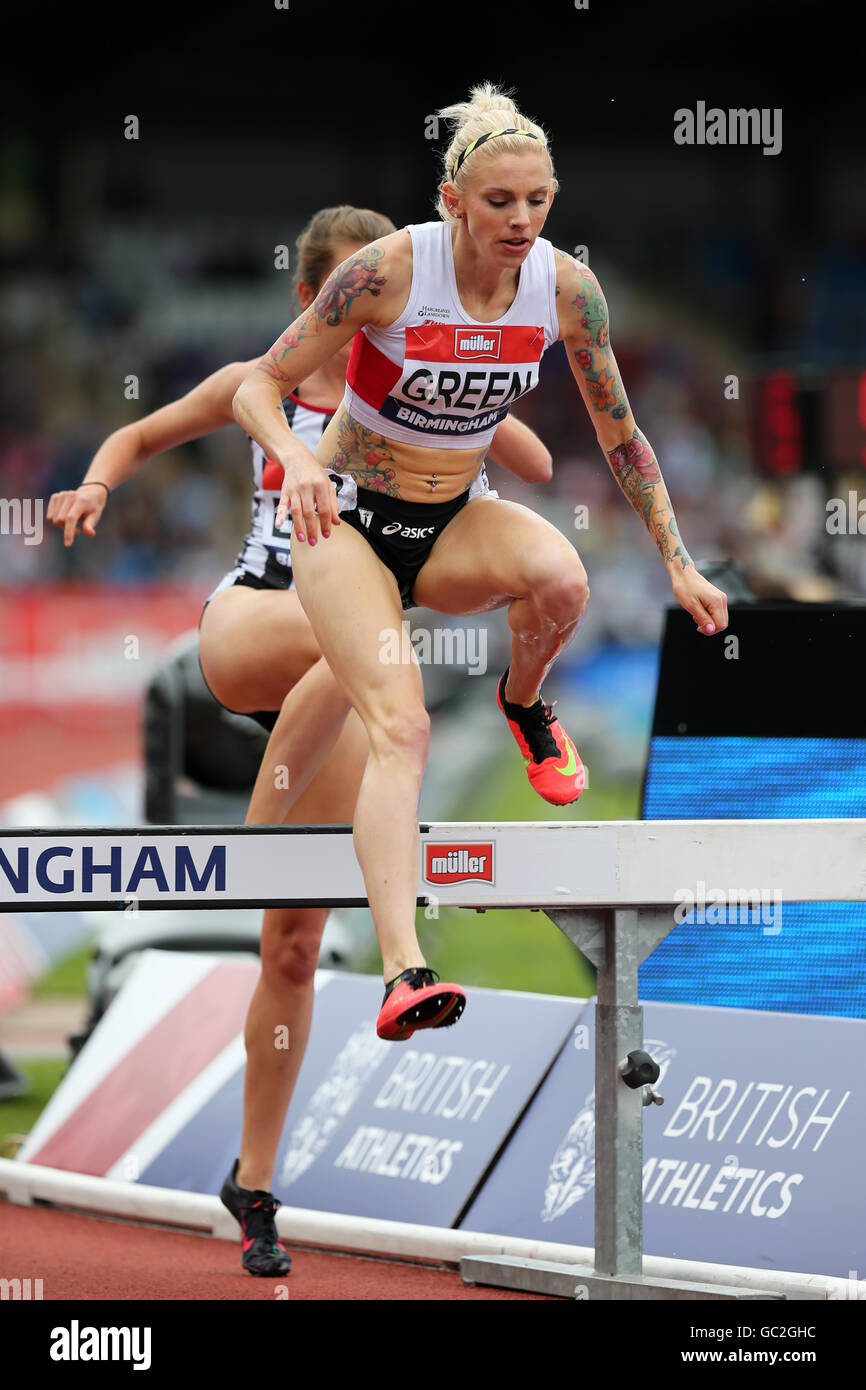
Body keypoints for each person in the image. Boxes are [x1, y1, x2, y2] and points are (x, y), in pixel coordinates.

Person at [45, 202, 556, 1277]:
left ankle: (256, 1177)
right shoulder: (263, 383)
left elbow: (540, 460)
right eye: (363, 309)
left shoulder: (418, 377)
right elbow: (138, 434)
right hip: (256, 630)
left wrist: (465, 395)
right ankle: (275, 825)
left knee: (287, 948)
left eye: (395, 313)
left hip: (339, 686)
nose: (380, 327)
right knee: (367, 644)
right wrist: (94, 482)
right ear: (319, 305)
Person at [232, 84, 729, 1052]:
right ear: (452, 199)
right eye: (498, 201)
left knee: (563, 579)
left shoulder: (567, 291)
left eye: (537, 200)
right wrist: (295, 459)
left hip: (456, 518)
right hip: (351, 527)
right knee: (402, 724)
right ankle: (402, 967)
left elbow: (621, 437)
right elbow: (260, 382)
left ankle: (523, 698)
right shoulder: (384, 272)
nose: (520, 220)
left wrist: (677, 561)